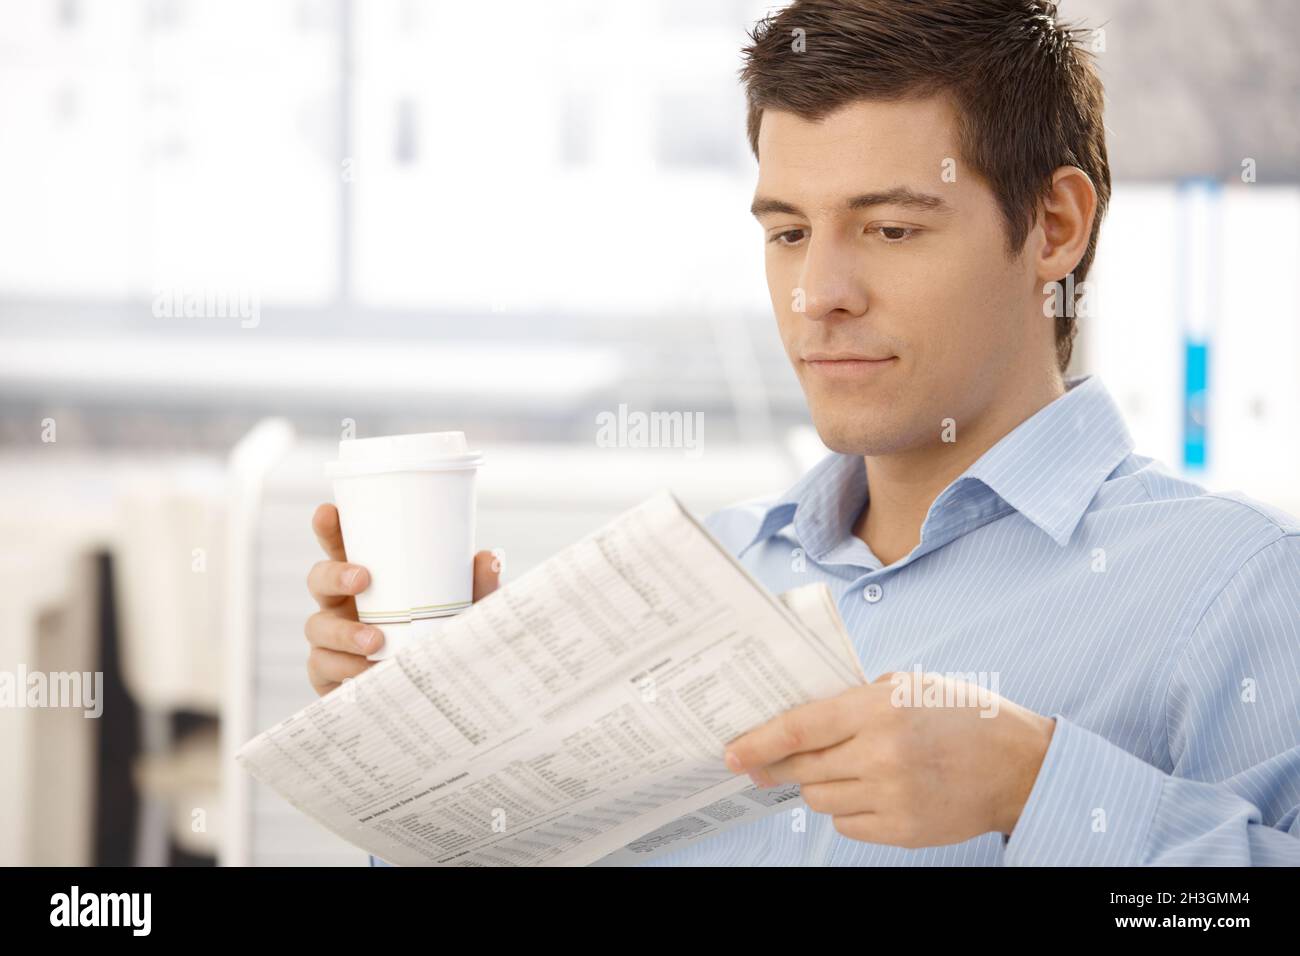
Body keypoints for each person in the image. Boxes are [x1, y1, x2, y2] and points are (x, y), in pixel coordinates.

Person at [305, 0, 1300, 865]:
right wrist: (436, 748)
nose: (816, 295)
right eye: (786, 232)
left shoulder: (1241, 589)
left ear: (1053, 226)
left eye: (890, 229)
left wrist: (1040, 790)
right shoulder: (696, 576)